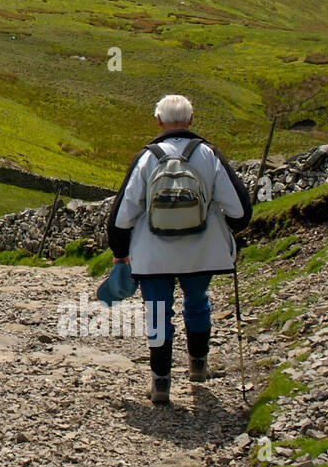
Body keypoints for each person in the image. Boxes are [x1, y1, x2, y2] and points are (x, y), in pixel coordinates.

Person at [106, 94, 252, 405]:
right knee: (197, 302)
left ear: (159, 120)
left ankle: (161, 382)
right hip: (201, 253)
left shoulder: (146, 158)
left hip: (153, 255)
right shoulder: (208, 155)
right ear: (190, 120)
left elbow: (122, 215)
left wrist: (120, 253)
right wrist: (226, 232)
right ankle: (198, 367)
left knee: (158, 314)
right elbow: (240, 210)